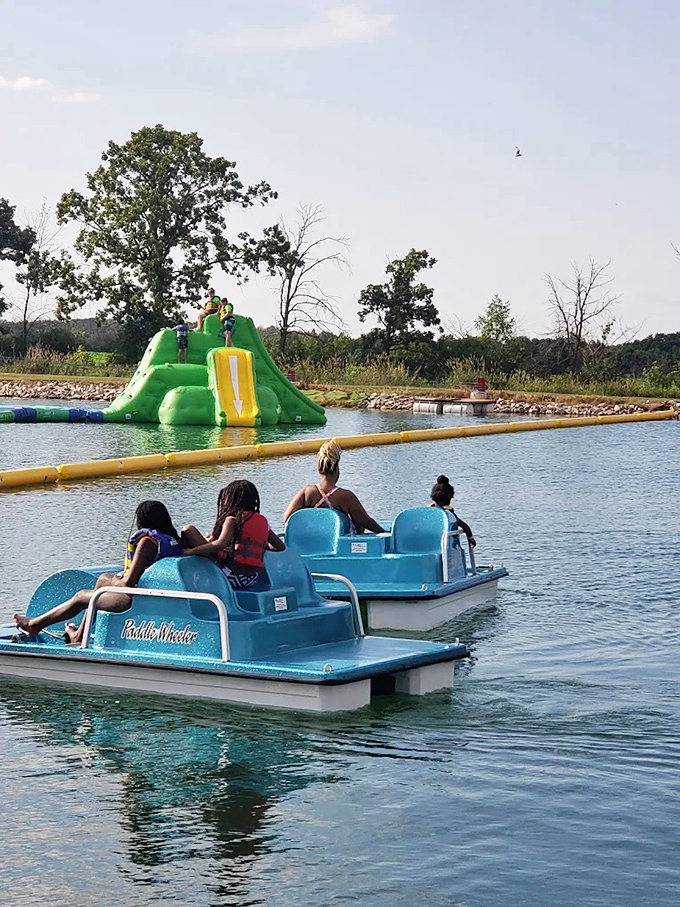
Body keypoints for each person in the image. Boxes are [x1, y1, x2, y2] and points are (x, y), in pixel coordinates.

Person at [13, 501, 183, 644]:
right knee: (102, 579)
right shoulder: (172, 540)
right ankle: (79, 635)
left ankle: (35, 625)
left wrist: (118, 580)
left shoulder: (147, 542)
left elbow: (128, 583)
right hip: (155, 595)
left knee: (81, 597)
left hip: (136, 598)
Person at [183, 480, 285, 589]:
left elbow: (220, 544)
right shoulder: (262, 521)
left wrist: (191, 551)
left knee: (189, 530)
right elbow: (280, 546)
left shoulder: (232, 520)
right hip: (251, 578)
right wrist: (260, 546)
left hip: (231, 576)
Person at [283, 440, 384, 534]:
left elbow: (287, 518)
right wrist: (384, 532)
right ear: (337, 468)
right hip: (337, 545)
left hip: (311, 540)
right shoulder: (345, 496)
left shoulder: (306, 492)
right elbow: (366, 521)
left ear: (319, 469)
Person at [429, 474, 476, 548]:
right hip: (444, 547)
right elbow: (464, 526)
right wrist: (470, 538)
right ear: (450, 497)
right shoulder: (448, 513)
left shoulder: (428, 511)